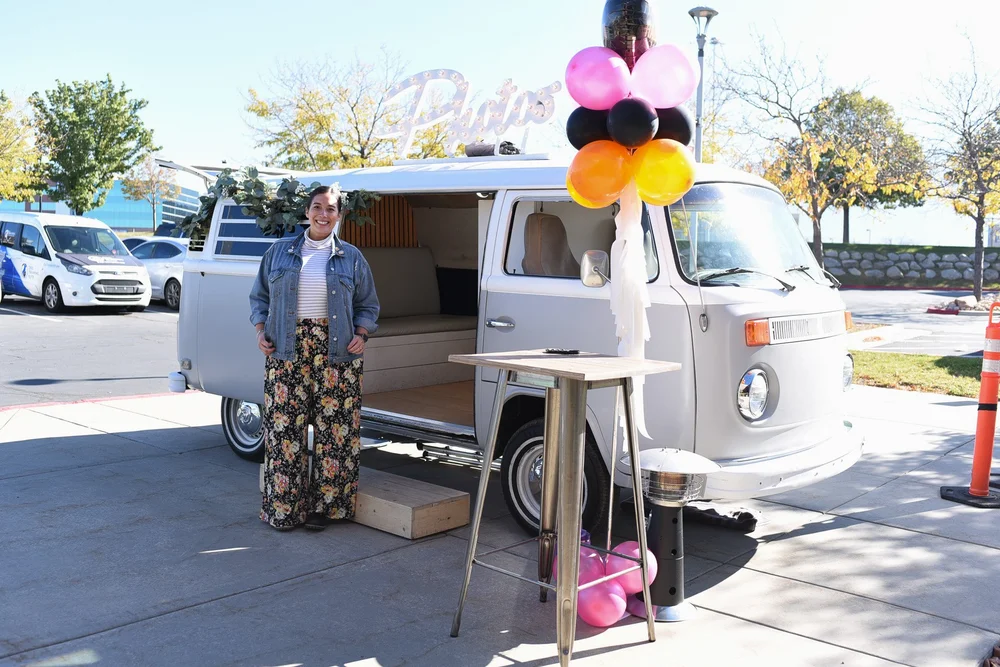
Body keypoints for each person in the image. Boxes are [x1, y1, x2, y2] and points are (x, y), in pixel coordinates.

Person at [249, 185, 380, 531]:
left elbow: (368, 305)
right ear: (306, 212)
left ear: (339, 215)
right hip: (286, 350)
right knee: (284, 432)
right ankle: (285, 511)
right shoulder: (279, 253)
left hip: (337, 350)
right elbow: (258, 298)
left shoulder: (351, 257)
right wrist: (261, 332)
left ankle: (327, 509)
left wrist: (361, 334)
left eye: (331, 209)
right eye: (318, 207)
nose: (324, 214)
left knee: (336, 433)